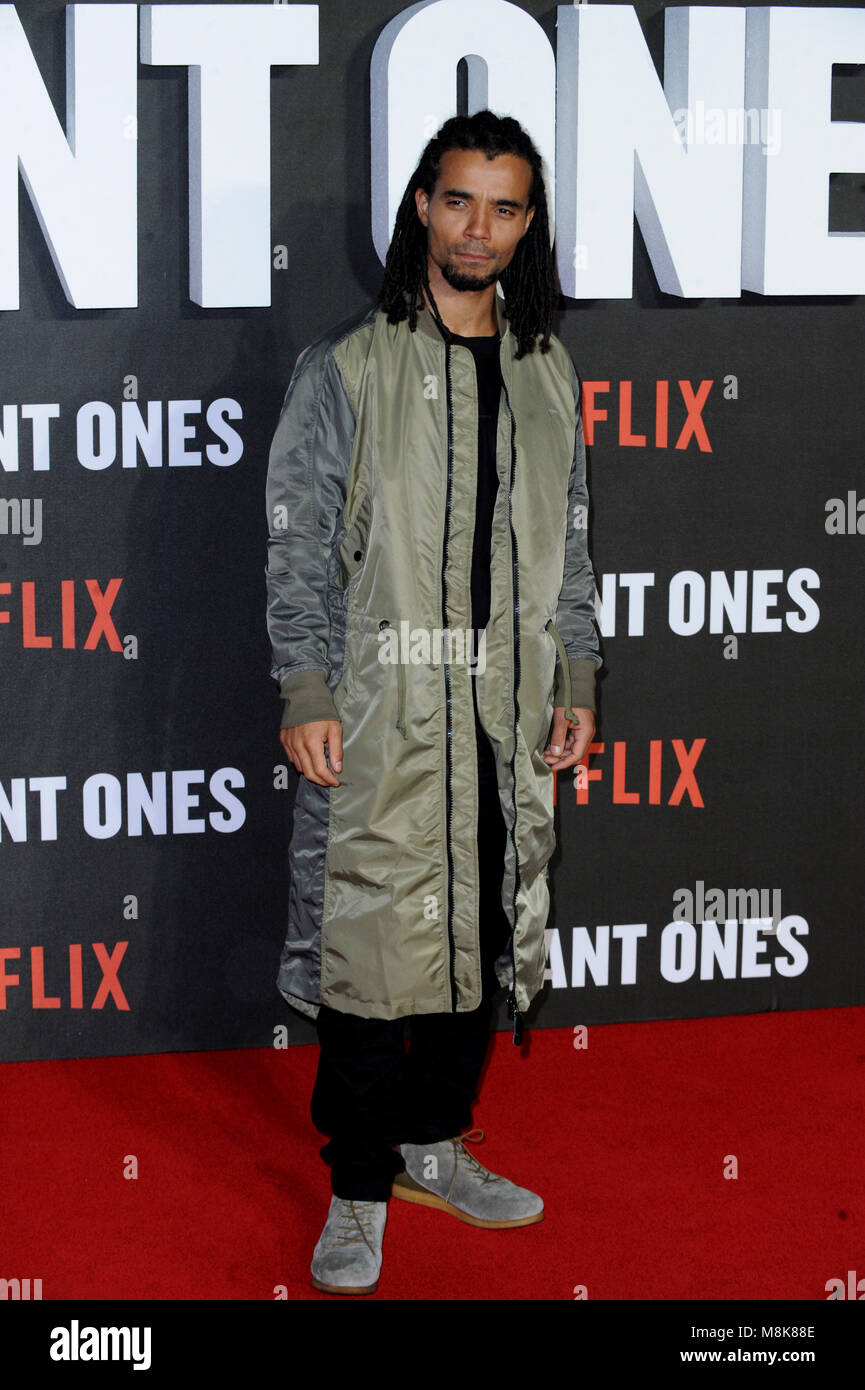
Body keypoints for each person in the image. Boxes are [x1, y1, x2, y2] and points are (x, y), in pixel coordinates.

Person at [265, 110, 601, 1296]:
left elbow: (568, 543)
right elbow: (298, 552)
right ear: (420, 204)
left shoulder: (545, 368)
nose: (480, 229)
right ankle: (359, 1190)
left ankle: (433, 1143)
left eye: (506, 207)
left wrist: (576, 674)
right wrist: (307, 687)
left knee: (485, 937)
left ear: (527, 222)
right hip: (381, 707)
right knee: (369, 951)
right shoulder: (344, 368)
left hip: (504, 718)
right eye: (459, 200)